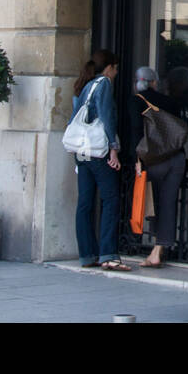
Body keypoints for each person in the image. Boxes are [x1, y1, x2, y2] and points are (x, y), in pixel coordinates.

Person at [72, 49, 132, 271]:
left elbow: (74, 118)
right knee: (111, 200)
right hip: (98, 151)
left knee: (85, 203)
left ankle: (87, 255)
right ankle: (108, 255)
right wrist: (113, 149)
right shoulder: (104, 84)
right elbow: (107, 118)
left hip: (81, 153)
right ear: (109, 68)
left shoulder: (83, 85)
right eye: (115, 68)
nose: (116, 73)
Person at [132, 66, 188, 268]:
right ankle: (159, 249)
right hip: (175, 158)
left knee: (154, 203)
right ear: (154, 82)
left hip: (151, 161)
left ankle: (153, 247)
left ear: (137, 82)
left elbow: (134, 134)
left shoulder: (135, 102)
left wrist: (137, 162)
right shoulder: (169, 102)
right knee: (167, 203)